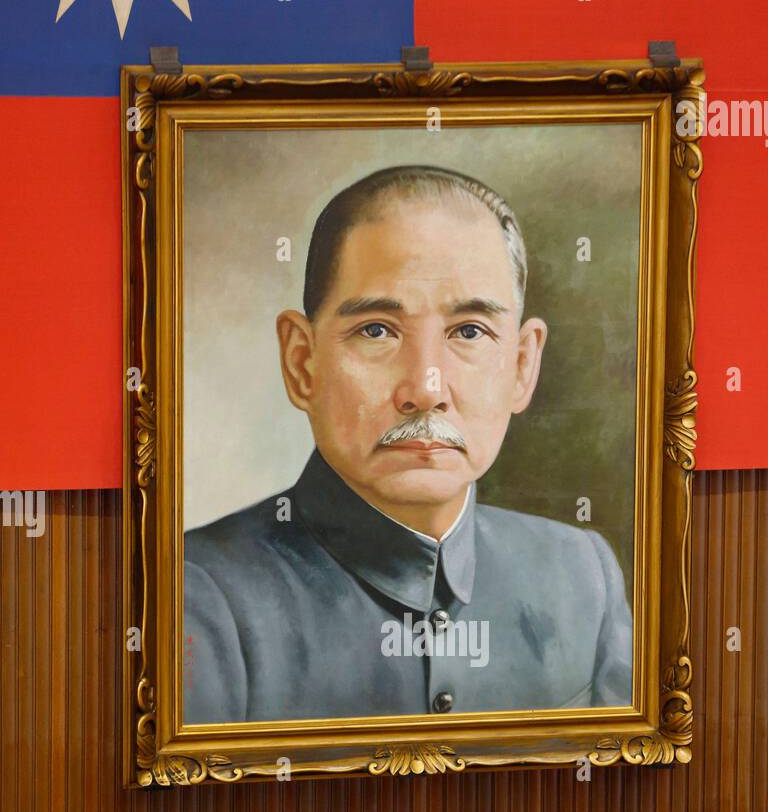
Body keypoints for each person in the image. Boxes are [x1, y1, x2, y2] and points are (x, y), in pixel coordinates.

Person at [183, 163, 633, 723]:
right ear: (302, 362)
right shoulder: (198, 597)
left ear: (522, 365)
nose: (425, 389)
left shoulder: (582, 576)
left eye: (469, 331)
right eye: (377, 330)